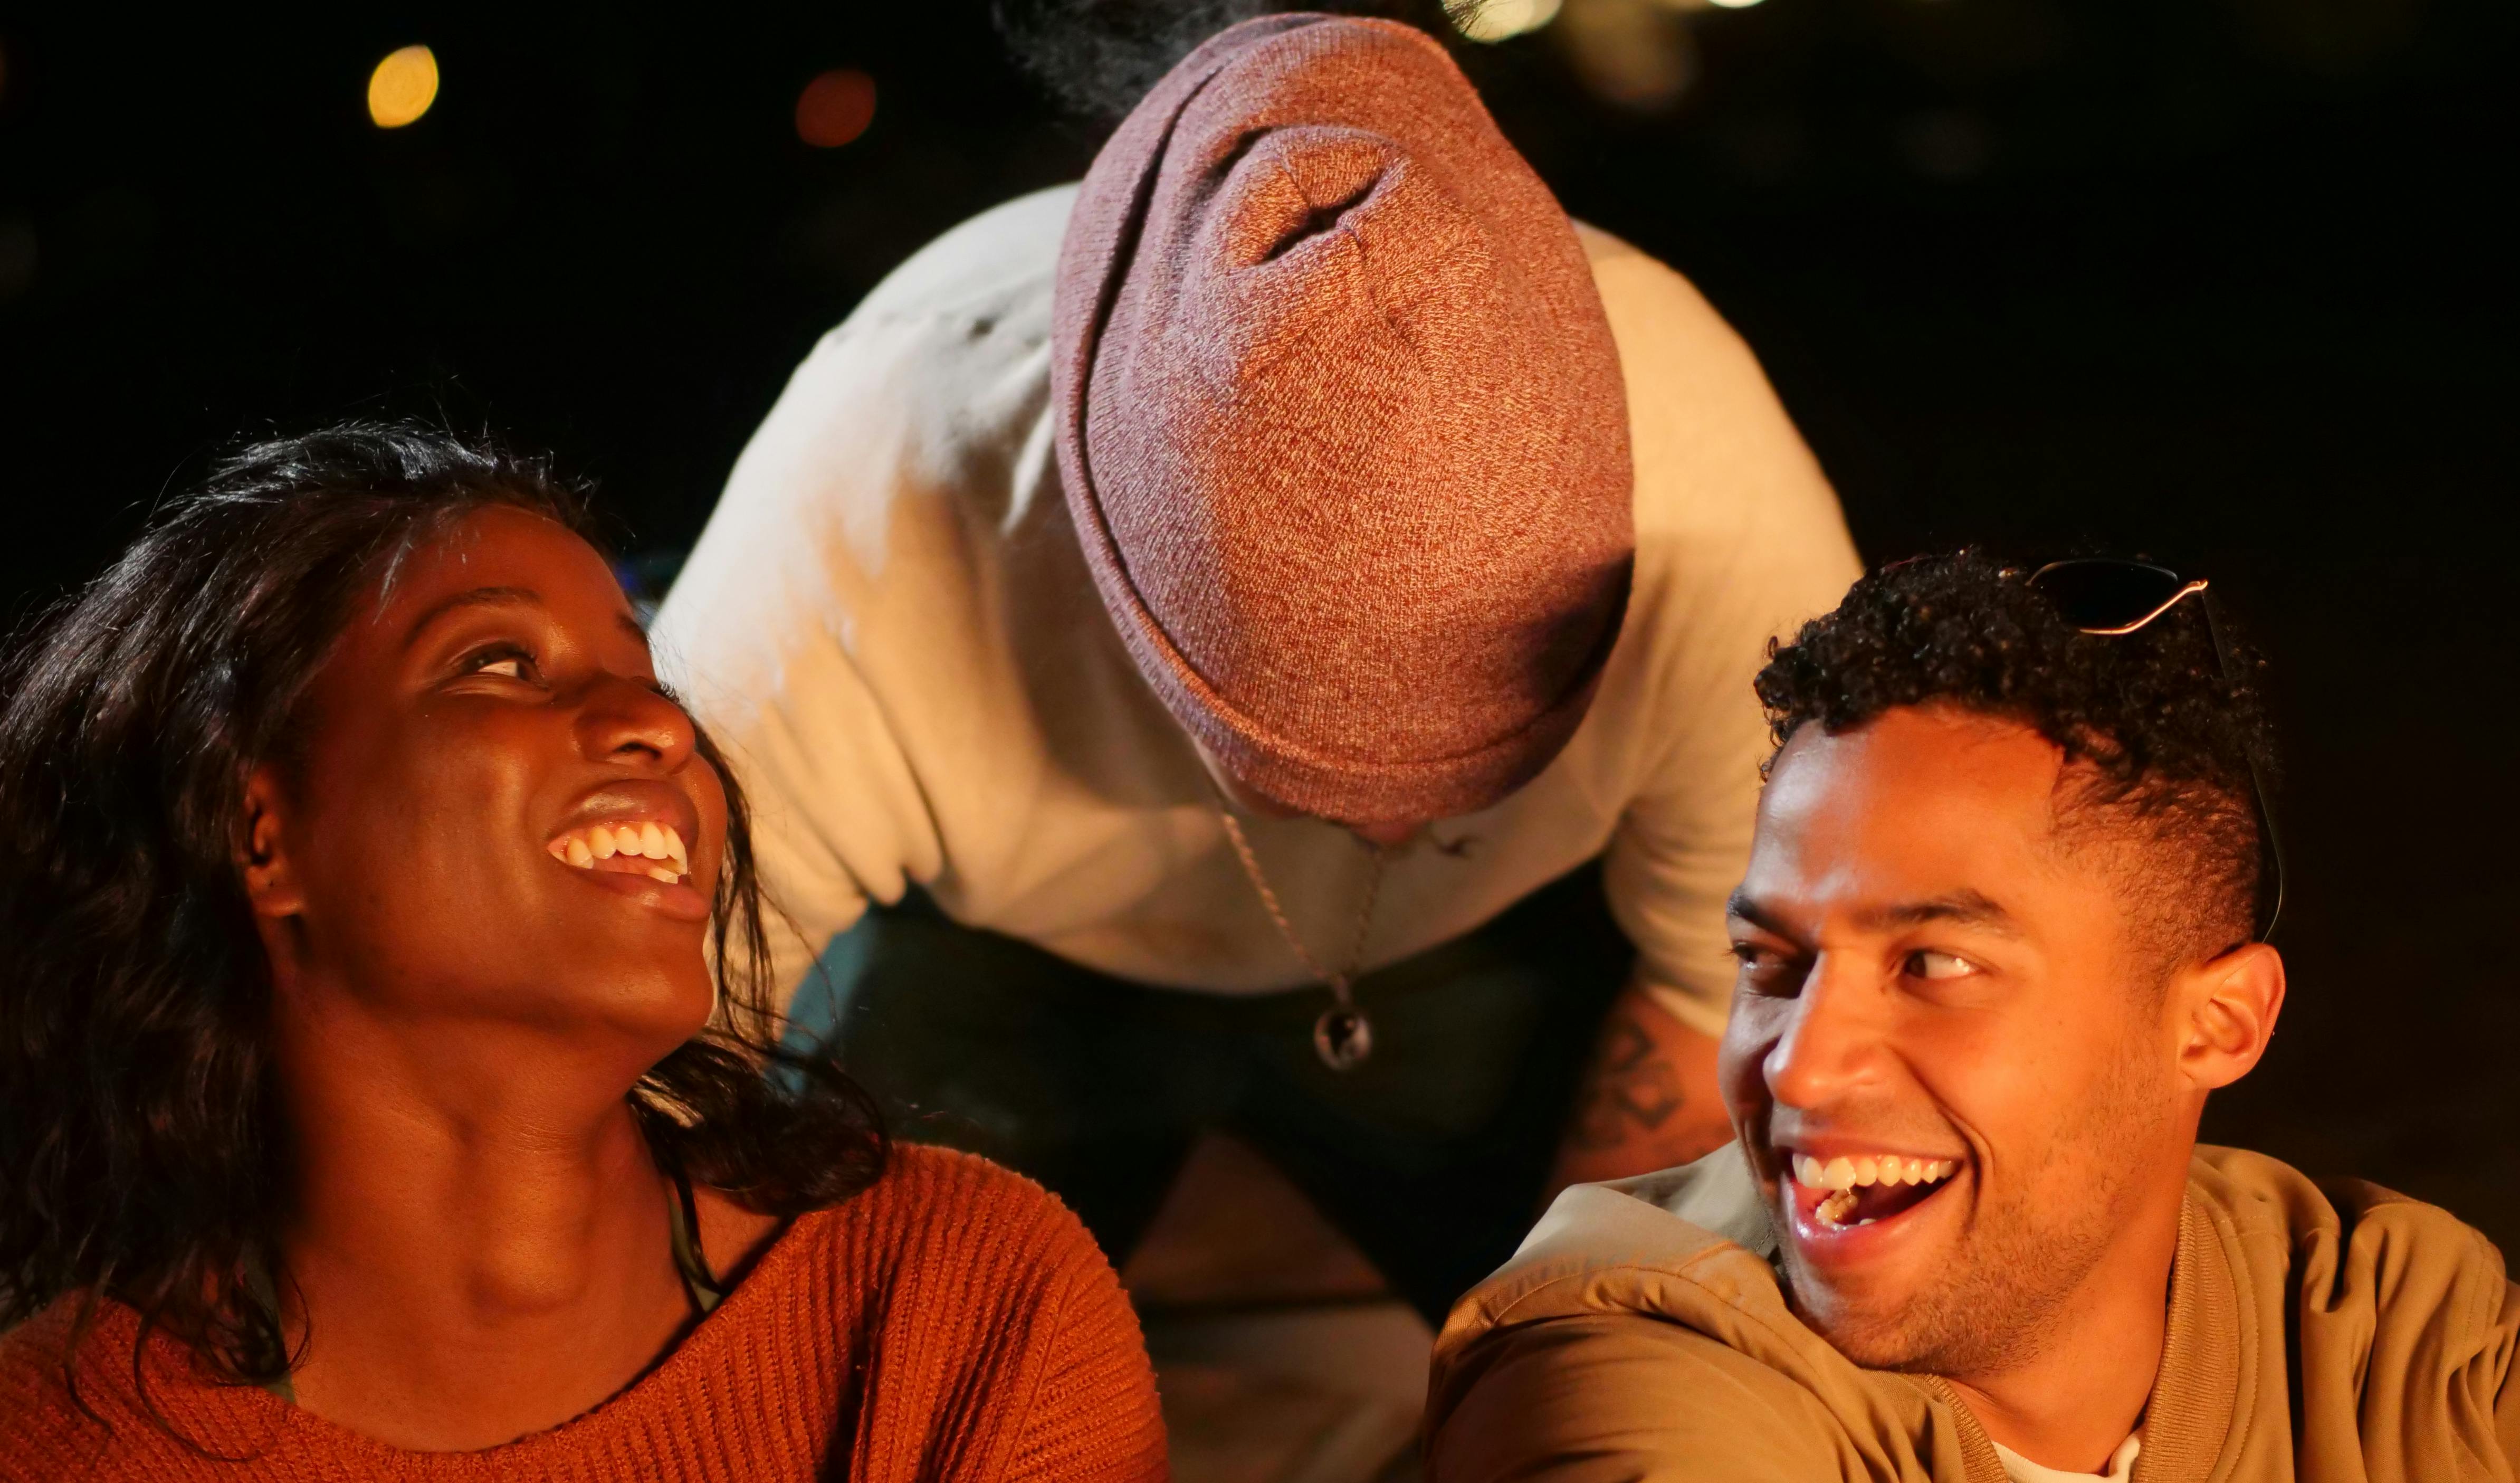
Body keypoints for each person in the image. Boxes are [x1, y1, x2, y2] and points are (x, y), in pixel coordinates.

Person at [653, 7, 1858, 1320]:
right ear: (1112, 547)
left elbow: (1713, 984)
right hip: (1004, 958)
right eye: (1295, 746)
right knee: (852, 1343)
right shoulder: (859, 495)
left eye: (1470, 739)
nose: (1389, 820)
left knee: (1696, 1326)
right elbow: (650, 1053)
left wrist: (1567, 1360)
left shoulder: (1711, 482)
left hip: (1485, 961)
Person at [0, 424, 1168, 1480]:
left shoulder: (961, 1305)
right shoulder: (53, 1443)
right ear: (264, 836)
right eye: (499, 662)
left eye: (647, 674)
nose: (663, 724)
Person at [1425, 553, 2520, 1481]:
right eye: (1772, 960)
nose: (1798, 1071)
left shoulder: (2388, 1333)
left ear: (2218, 1024)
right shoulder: (1630, 1381)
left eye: (1934, 963)